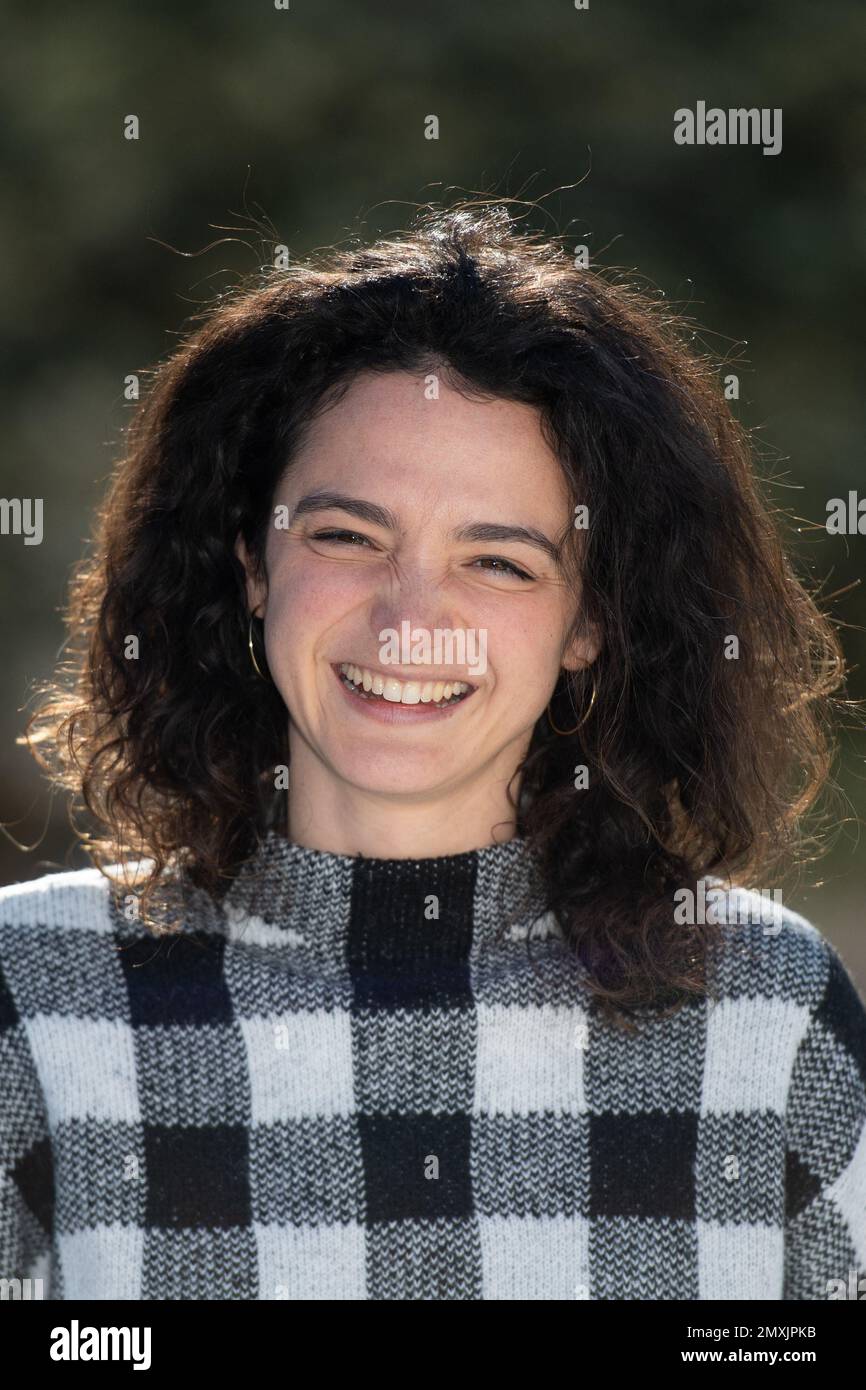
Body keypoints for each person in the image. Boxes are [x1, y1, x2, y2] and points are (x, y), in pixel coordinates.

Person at [1, 201, 864, 1301]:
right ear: (253, 567)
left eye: (497, 562)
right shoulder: (33, 992)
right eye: (346, 537)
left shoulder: (766, 1010)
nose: (410, 619)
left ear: (589, 620)